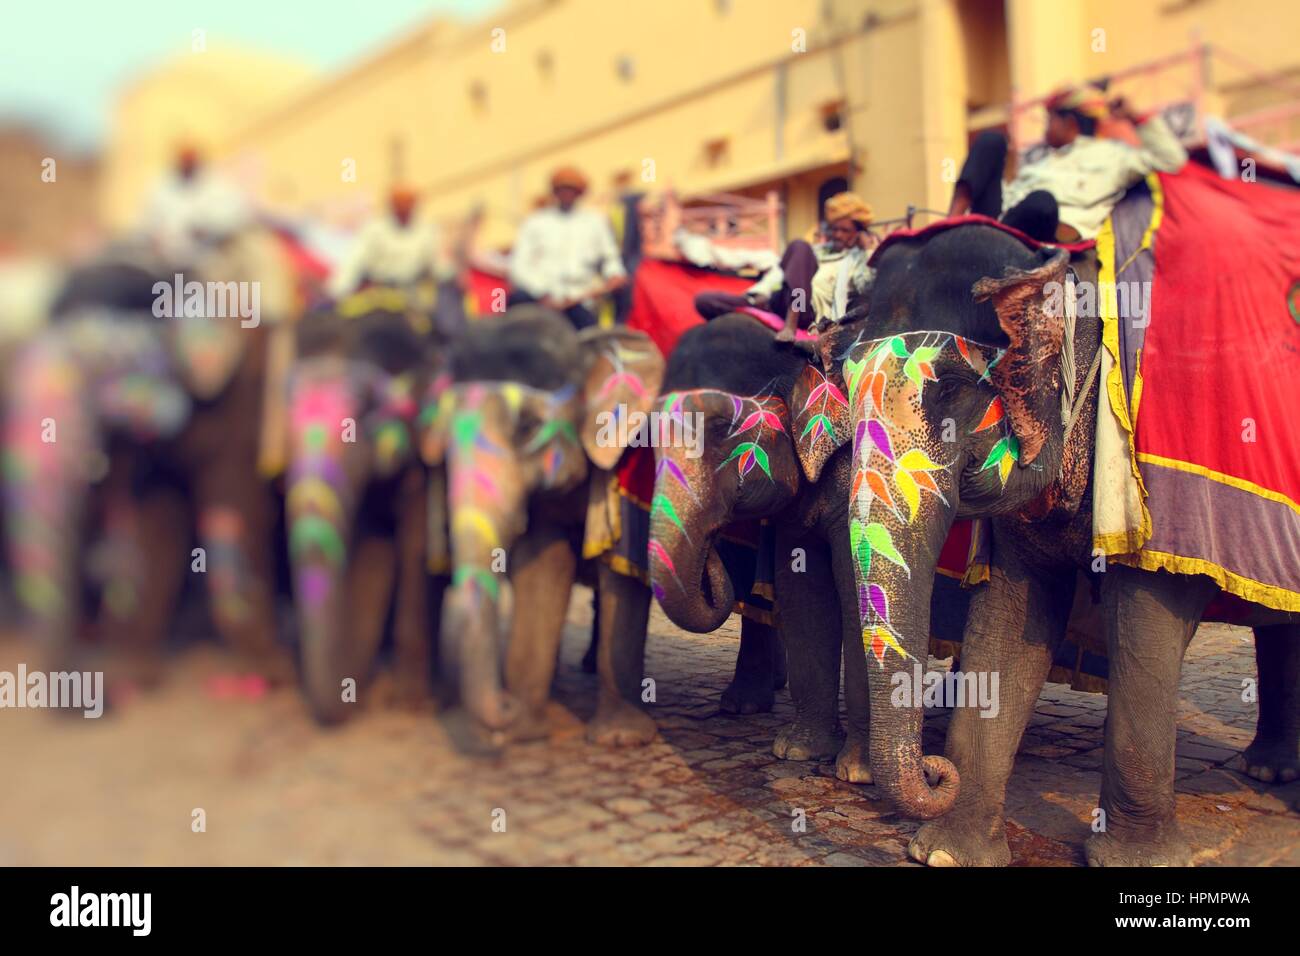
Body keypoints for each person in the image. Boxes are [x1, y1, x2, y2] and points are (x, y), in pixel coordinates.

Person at [948, 84, 1188, 242]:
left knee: (1042, 202)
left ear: (1069, 123)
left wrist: (1135, 116)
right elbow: (1007, 195)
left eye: (1050, 120)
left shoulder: (1116, 156)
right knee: (991, 140)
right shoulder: (1041, 163)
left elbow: (1172, 159)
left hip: (1042, 234)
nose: (1045, 129)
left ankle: (991, 240)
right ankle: (950, 225)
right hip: (1002, 220)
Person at [695, 191, 876, 341]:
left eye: (844, 230)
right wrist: (759, 295)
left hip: (804, 311)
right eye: (834, 229)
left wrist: (868, 250)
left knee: (799, 246)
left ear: (858, 233)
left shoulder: (858, 260)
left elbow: (866, 285)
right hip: (777, 300)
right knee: (705, 300)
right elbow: (779, 275)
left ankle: (791, 322)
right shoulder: (817, 252)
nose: (837, 234)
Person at [507, 166, 627, 329]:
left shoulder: (595, 222)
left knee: (593, 342)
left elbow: (609, 258)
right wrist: (542, 293)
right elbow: (518, 266)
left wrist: (614, 274)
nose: (567, 194)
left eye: (572, 190)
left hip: (578, 301)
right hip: (539, 299)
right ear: (554, 192)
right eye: (562, 189)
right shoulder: (535, 222)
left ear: (580, 193)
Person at [327, 186, 456, 300]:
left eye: (407, 204)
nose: (403, 208)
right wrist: (338, 290)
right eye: (399, 204)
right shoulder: (374, 230)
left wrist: (455, 276)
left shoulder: (426, 231)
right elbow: (354, 261)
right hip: (380, 295)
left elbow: (437, 265)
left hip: (412, 295)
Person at [142, 142, 251, 264]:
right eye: (184, 161)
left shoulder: (217, 186)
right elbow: (148, 223)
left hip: (208, 261)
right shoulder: (162, 188)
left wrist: (207, 228)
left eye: (190, 161)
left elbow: (235, 217)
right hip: (167, 263)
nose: (187, 165)